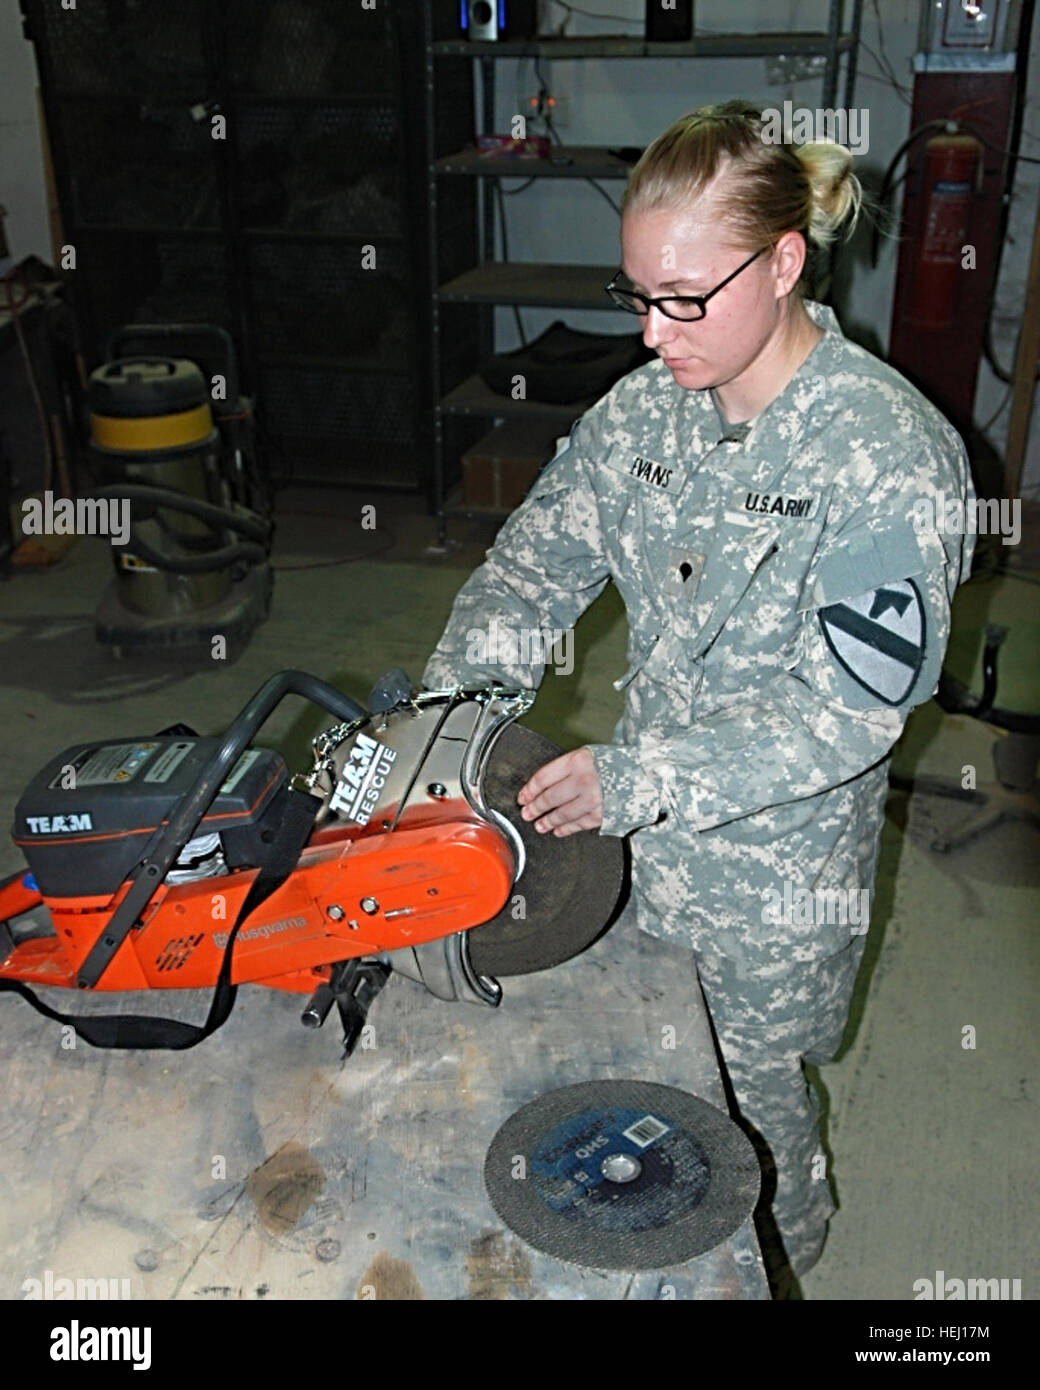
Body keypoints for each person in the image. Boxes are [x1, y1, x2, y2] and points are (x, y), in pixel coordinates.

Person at [421, 101, 976, 1294]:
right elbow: (529, 573)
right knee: (636, 1062)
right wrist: (447, 721)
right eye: (637, 296)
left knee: (750, 1100)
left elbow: (845, 714)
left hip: (773, 875)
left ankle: (786, 1261)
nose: (654, 331)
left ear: (782, 263)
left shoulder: (882, 455)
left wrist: (634, 779)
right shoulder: (641, 417)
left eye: (686, 297)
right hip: (631, 849)